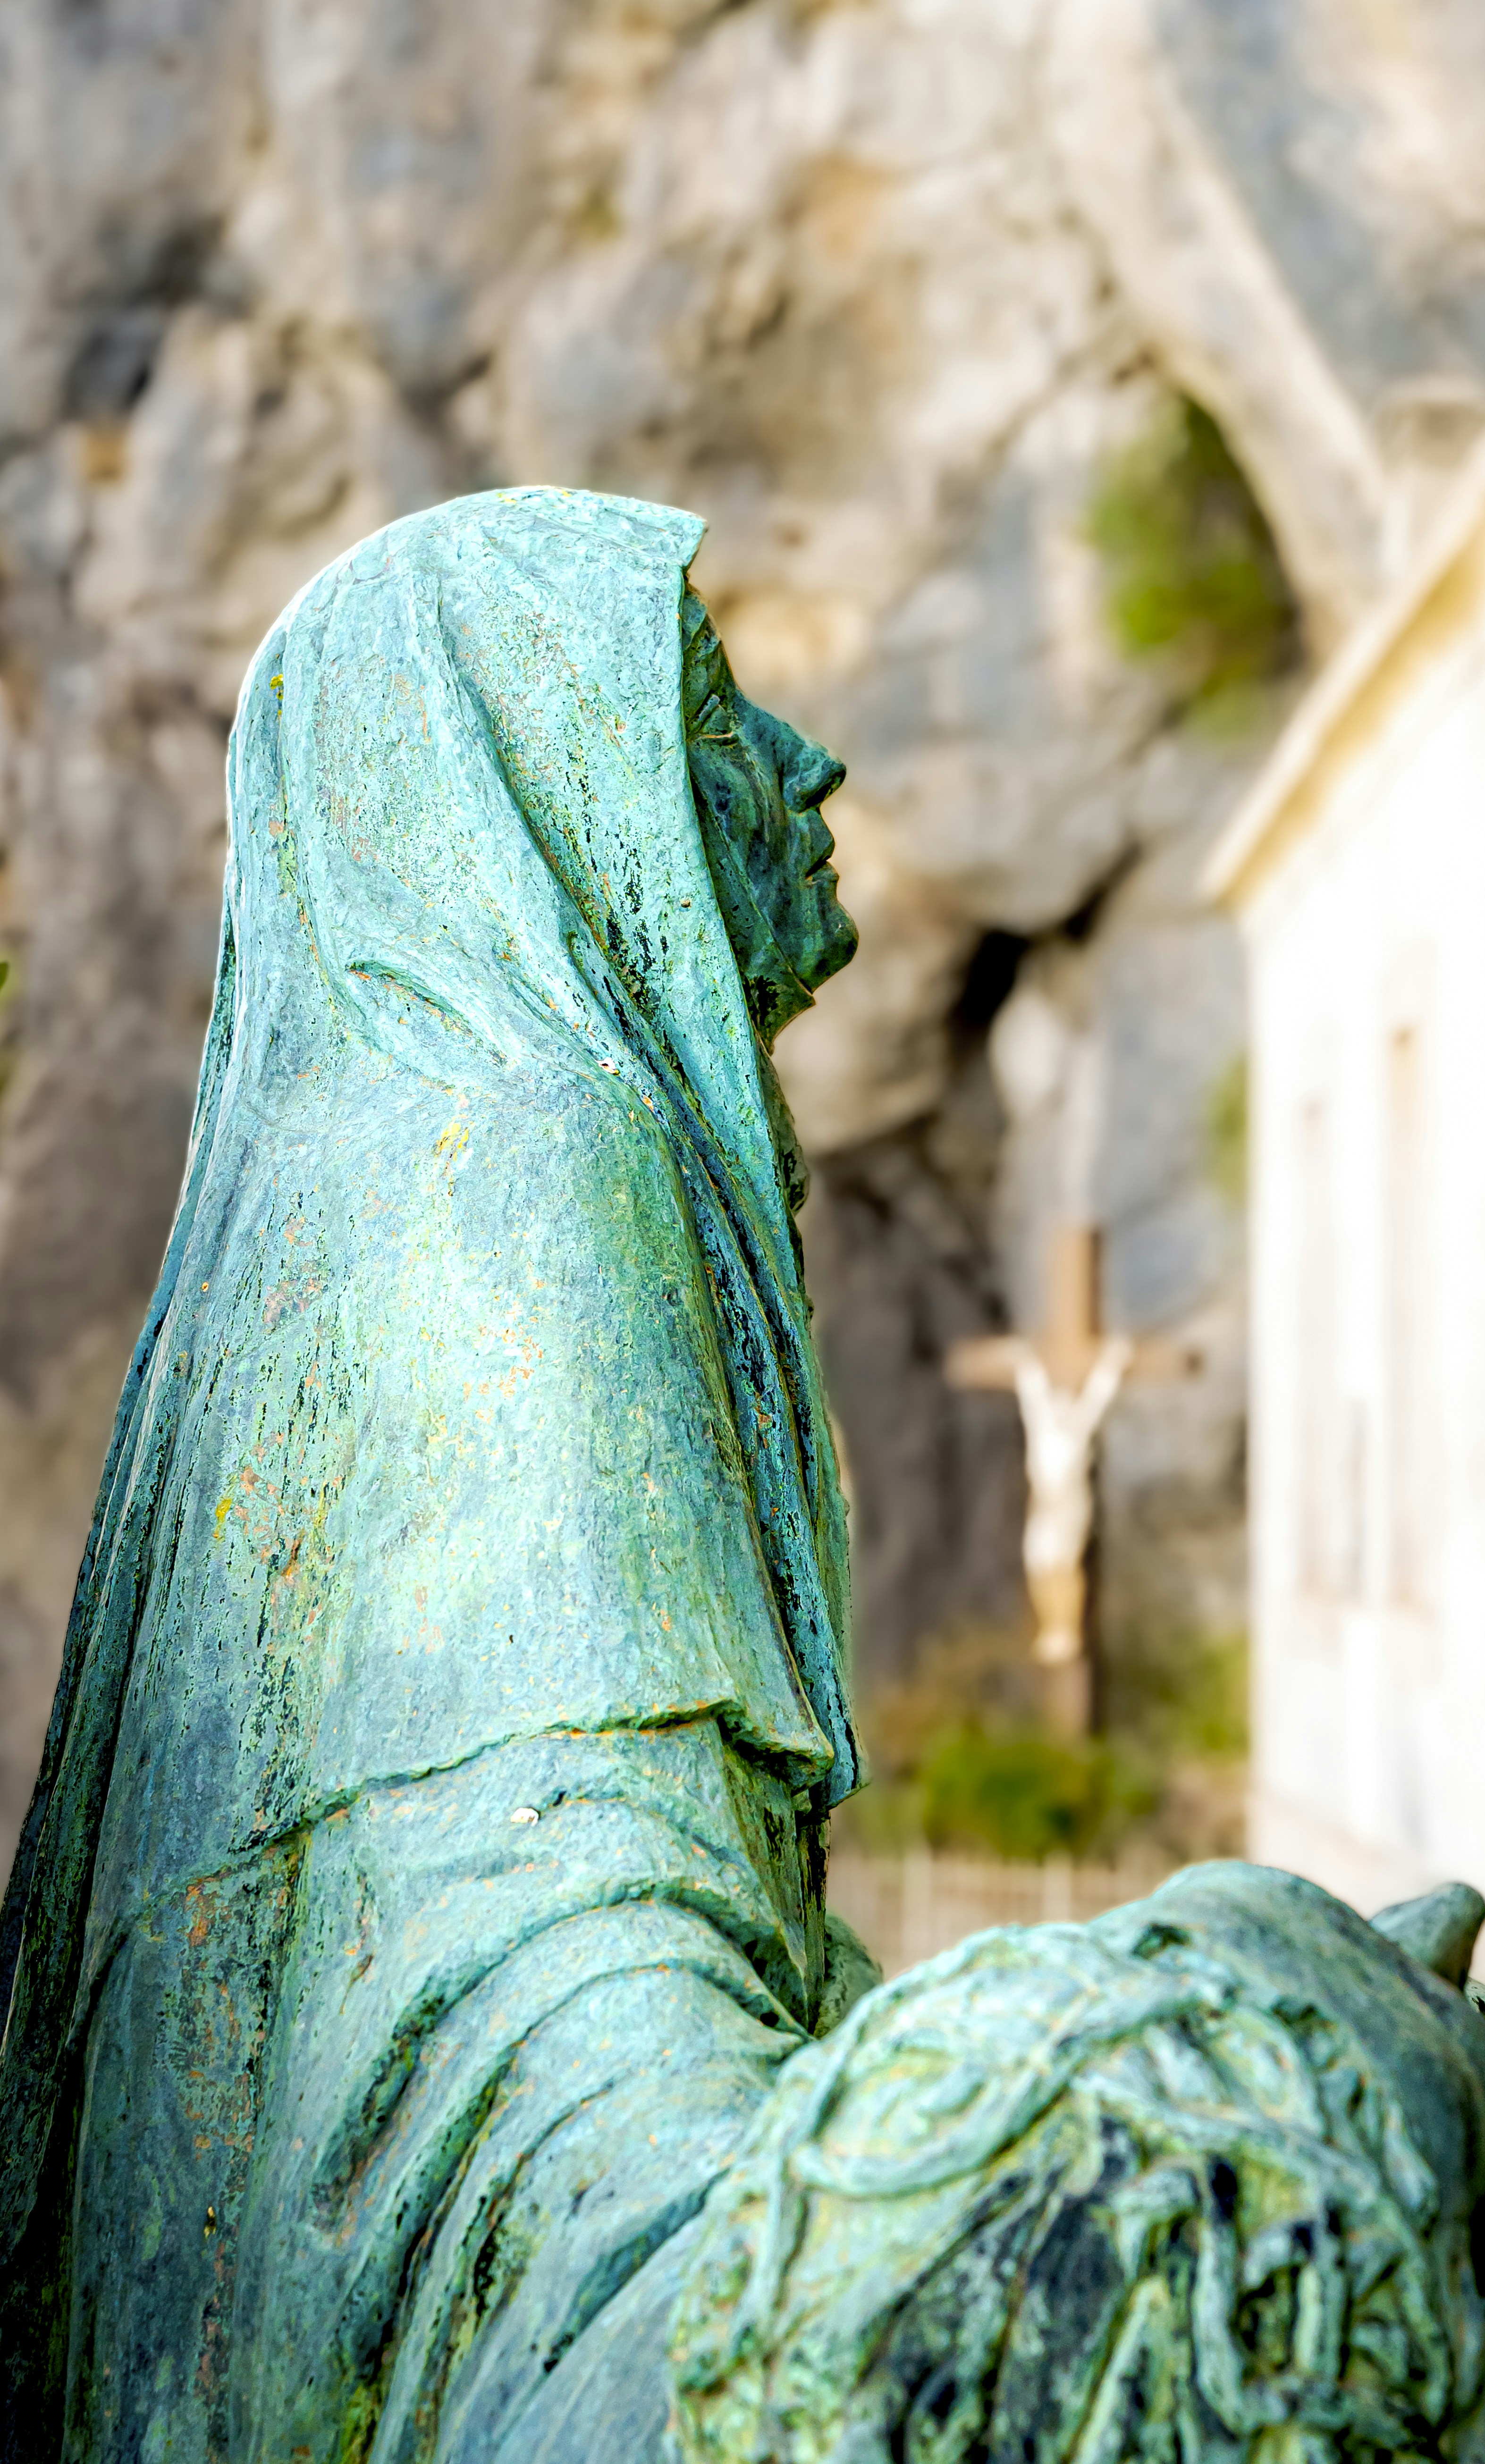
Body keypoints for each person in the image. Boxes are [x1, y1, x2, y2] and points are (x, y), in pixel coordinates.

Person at [0, 488, 871, 2462]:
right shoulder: (532, 1166)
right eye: (713, 706)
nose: (804, 767)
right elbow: (551, 1919)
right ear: (542, 785)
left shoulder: (353, 1178)